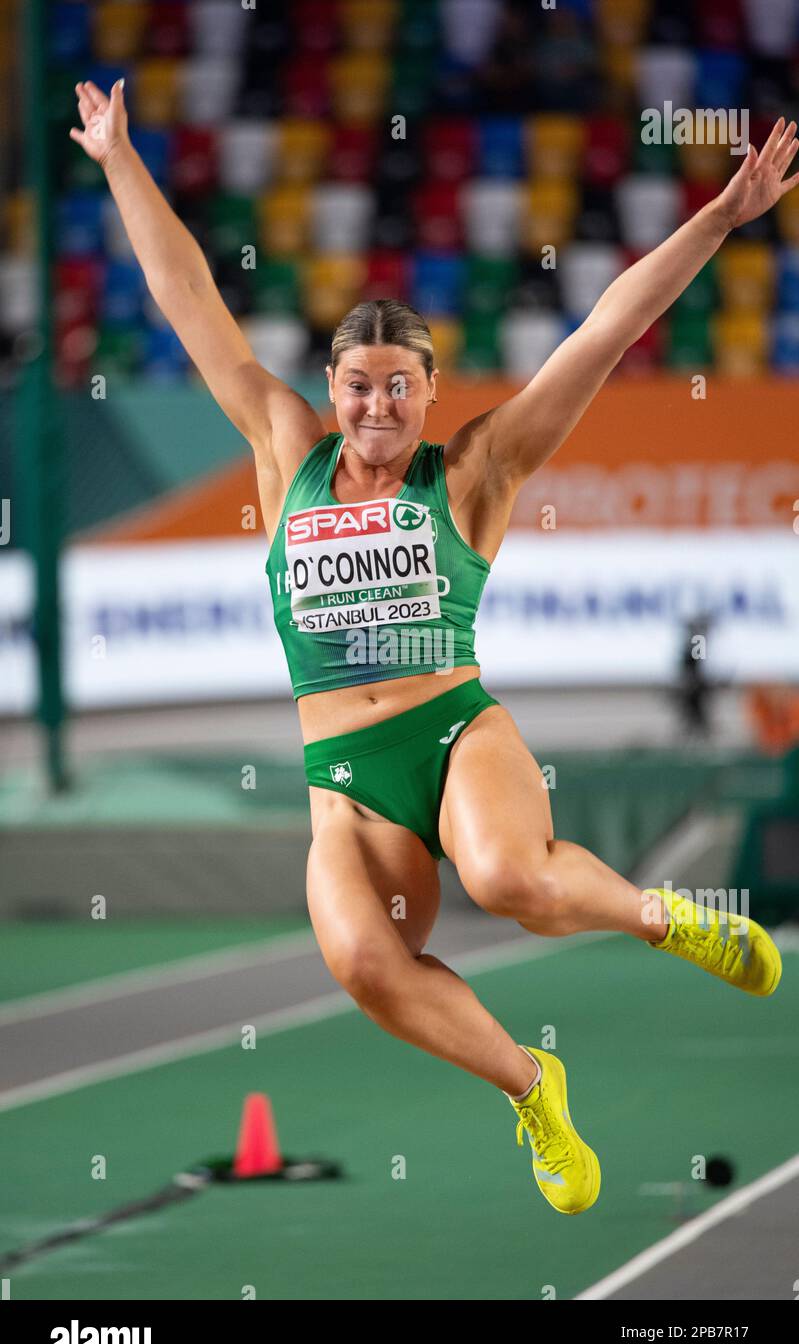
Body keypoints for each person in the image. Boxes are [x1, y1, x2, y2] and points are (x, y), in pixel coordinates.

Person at [72, 82, 789, 1215]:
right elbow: (184, 299)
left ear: (428, 392)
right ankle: (531, 1084)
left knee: (509, 876)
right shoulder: (283, 448)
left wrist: (717, 218)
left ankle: (669, 919)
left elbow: (606, 331)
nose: (376, 407)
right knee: (364, 964)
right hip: (343, 785)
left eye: (399, 386)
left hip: (453, 733)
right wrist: (117, 157)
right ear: (332, 389)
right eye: (359, 386)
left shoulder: (475, 470)